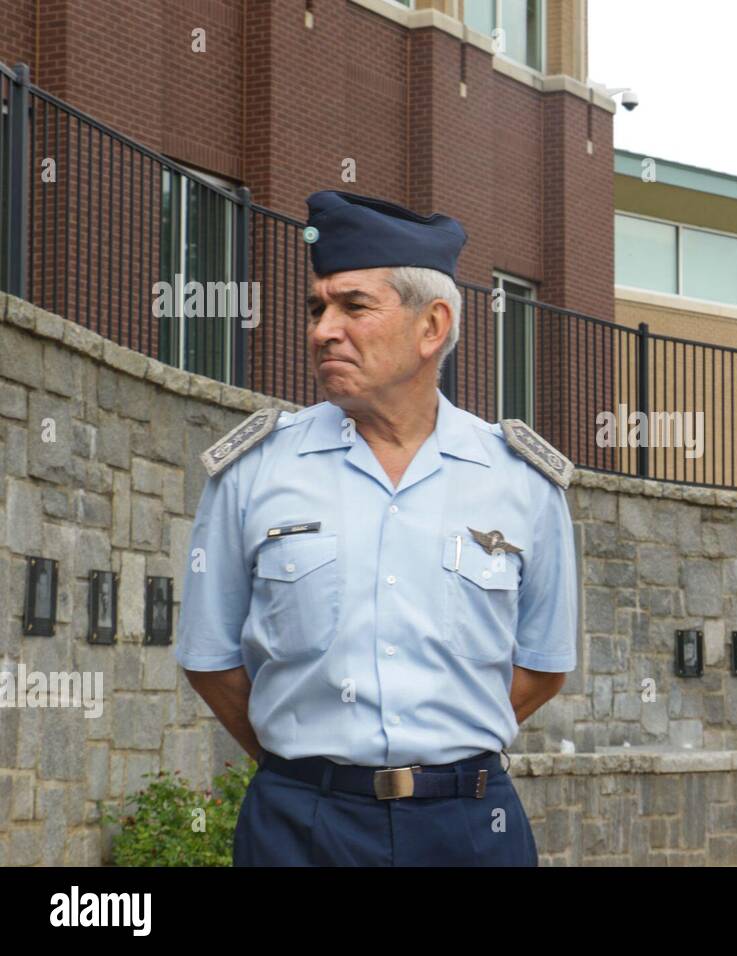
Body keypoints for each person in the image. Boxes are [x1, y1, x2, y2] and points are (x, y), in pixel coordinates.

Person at [176, 190, 577, 866]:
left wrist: (439, 746)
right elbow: (210, 660)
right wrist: (318, 760)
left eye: (353, 306)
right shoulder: (254, 472)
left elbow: (543, 665)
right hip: (298, 827)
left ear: (432, 327)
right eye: (317, 307)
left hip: (471, 829)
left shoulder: (522, 483)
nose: (323, 328)